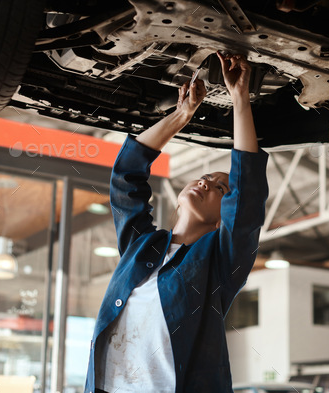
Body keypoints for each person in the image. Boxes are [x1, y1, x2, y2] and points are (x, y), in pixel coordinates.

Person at [84, 52, 269, 393]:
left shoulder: (220, 264)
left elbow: (247, 200)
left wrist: (240, 99)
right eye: (203, 177)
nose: (205, 183)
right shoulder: (140, 247)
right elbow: (126, 177)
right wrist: (181, 115)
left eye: (219, 188)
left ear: (222, 217)